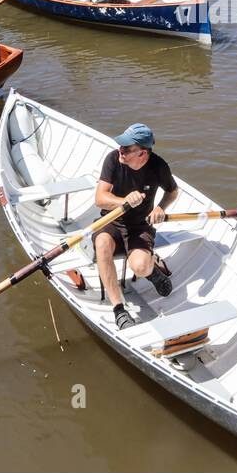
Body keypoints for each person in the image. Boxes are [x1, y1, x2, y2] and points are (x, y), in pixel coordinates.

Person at [94, 123, 178, 329]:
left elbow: (173, 192)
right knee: (102, 244)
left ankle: (152, 272)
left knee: (140, 266)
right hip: (111, 221)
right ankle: (119, 310)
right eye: (121, 146)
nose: (120, 151)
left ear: (143, 153)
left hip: (140, 226)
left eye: (126, 148)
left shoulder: (159, 166)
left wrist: (160, 208)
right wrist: (123, 201)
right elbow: (100, 198)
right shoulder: (113, 159)